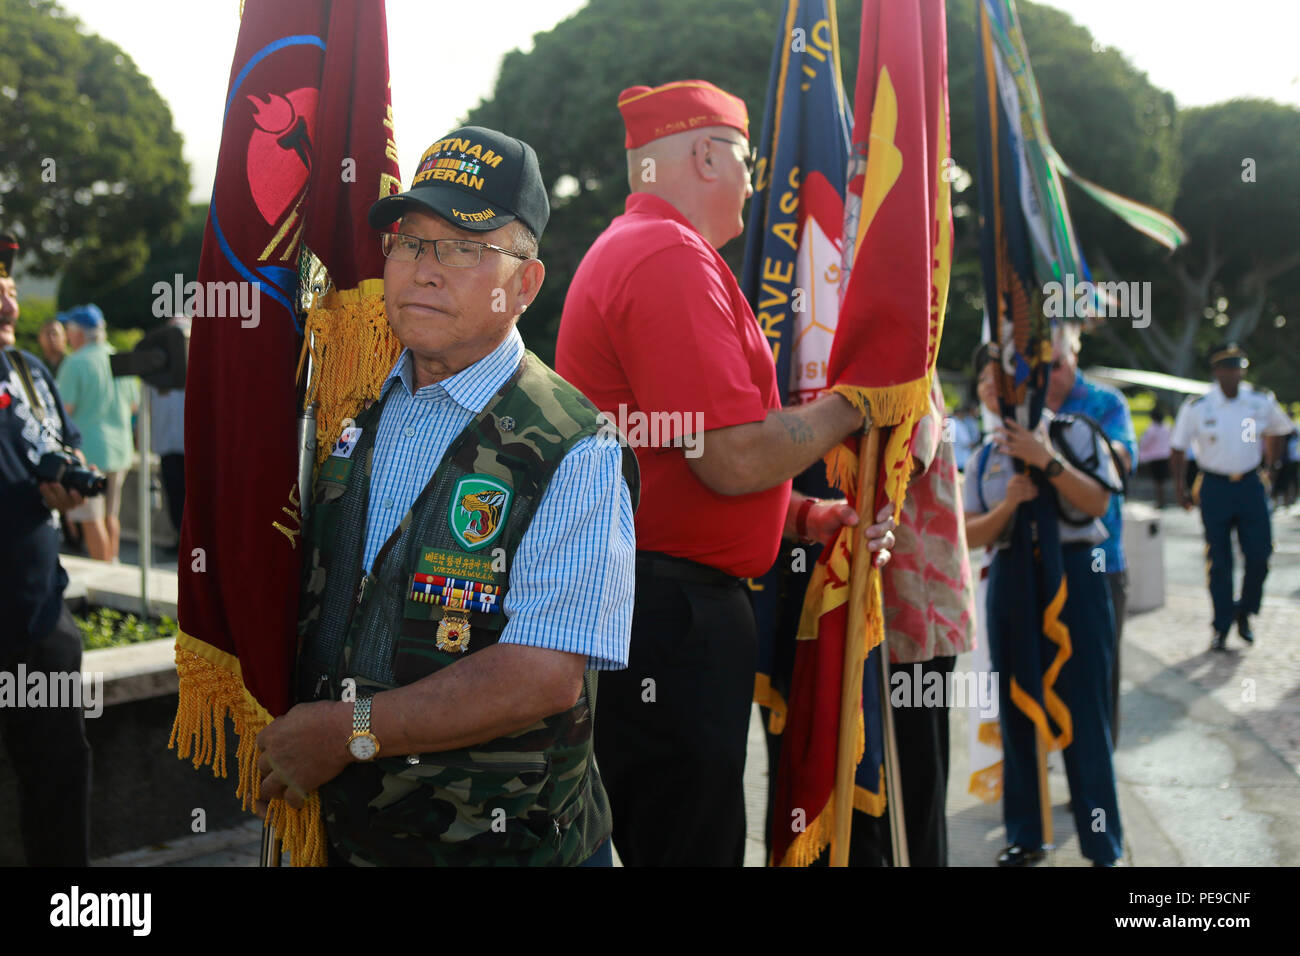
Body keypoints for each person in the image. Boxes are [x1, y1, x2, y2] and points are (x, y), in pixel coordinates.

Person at [254, 126, 638, 867]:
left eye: (466, 248)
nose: (425, 270)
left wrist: (346, 731)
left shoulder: (576, 445)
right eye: (411, 242)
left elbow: (541, 676)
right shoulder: (354, 413)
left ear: (525, 284)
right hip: (353, 842)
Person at [555, 80, 896, 866]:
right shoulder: (667, 255)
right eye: (747, 160)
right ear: (707, 154)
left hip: (660, 605)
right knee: (687, 843)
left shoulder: (653, 248)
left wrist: (809, 519)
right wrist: (858, 404)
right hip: (670, 617)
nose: (756, 178)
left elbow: (679, 463)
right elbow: (733, 458)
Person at [963, 343, 1125, 866]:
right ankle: (1027, 835)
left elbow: (1099, 501)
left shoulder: (1074, 432)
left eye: (1003, 378)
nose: (994, 389)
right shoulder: (985, 455)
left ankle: (1104, 842)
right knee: (1017, 707)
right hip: (1012, 578)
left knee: (1085, 708)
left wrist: (1045, 462)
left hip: (1077, 575)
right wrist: (1009, 503)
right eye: (986, 381)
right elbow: (968, 533)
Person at [854, 380, 977, 866]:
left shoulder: (910, 369)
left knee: (913, 791)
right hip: (904, 612)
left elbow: (907, 459)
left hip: (914, 616)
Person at [0, 232, 94, 865]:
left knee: (60, 777)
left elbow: (69, 449)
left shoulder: (30, 372)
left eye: (8, 284)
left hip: (38, 618)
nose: (9, 302)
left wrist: (70, 478)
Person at [1044, 322, 1135, 742]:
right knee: (1042, 670)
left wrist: (1069, 455)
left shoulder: (1105, 402)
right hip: (1039, 558)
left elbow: (1120, 460)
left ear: (1074, 356)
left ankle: (1095, 782)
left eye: (1057, 364)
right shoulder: (1023, 406)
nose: (1049, 375)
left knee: (1098, 676)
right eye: (1040, 366)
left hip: (1101, 559)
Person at [1169, 342, 1292, 651]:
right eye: (1228, 369)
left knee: (1260, 553)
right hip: (1214, 486)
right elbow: (1178, 448)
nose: (1234, 374)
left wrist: (1273, 466)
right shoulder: (1198, 406)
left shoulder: (1259, 401)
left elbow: (1280, 429)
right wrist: (1180, 489)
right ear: (1216, 372)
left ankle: (1245, 611)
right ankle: (1221, 623)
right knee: (1219, 561)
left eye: (1238, 368)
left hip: (1250, 483)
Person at [55, 304, 139, 562]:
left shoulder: (75, 362)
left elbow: (62, 410)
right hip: (120, 450)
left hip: (90, 455)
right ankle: (113, 566)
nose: (67, 336)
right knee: (110, 517)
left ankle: (105, 572)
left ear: (79, 333)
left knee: (92, 521)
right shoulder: (119, 358)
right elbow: (134, 405)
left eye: (69, 330)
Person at [149, 317, 190, 546]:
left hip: (192, 446)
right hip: (167, 444)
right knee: (174, 494)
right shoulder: (157, 370)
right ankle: (179, 538)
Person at [1139, 409, 1173, 509]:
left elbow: (1145, 442)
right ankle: (1162, 501)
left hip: (1155, 457)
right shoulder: (1167, 427)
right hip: (1165, 456)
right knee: (1161, 481)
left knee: (1158, 481)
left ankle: (1160, 501)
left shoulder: (1152, 429)